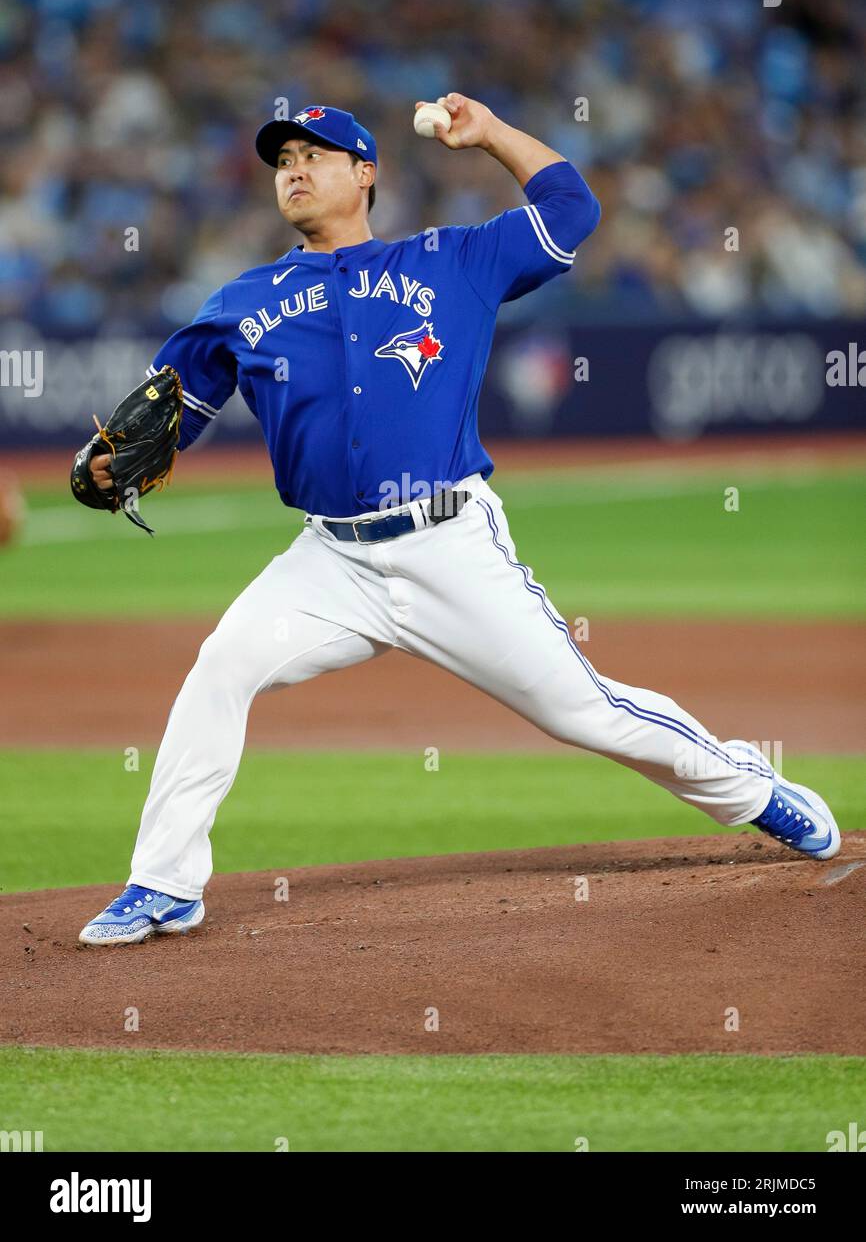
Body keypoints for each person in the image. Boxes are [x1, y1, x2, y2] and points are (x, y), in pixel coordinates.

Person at [78, 94, 840, 945]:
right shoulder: (241, 301)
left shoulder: (453, 260)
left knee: (584, 711)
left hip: (448, 542)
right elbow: (164, 415)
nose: (294, 170)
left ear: (365, 174)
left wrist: (493, 135)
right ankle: (164, 883)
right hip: (329, 561)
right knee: (222, 666)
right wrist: (105, 461)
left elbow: (572, 210)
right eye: (283, 159)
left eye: (315, 155)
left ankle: (751, 788)